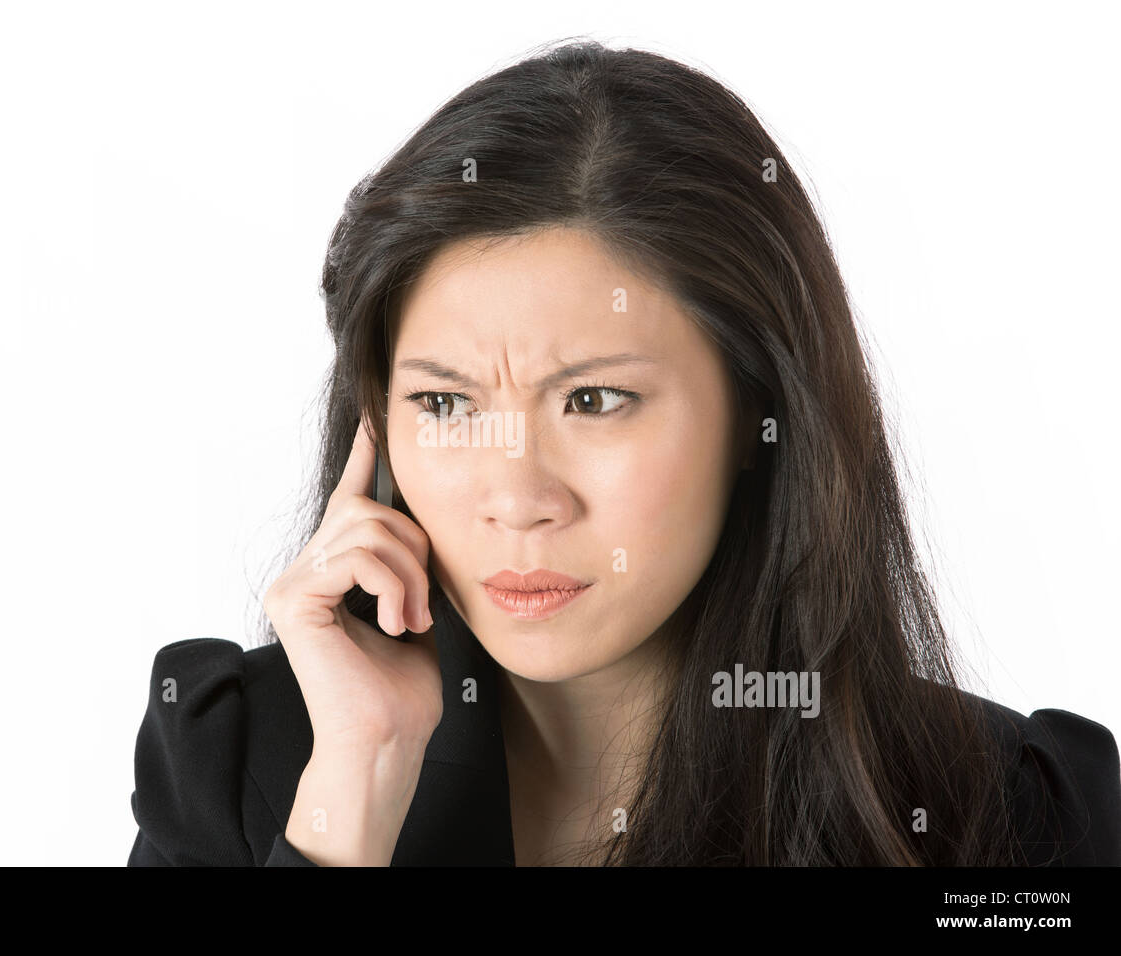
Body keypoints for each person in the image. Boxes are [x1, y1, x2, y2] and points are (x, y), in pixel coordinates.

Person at [127, 38, 1121, 866]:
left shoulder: (1016, 817)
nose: (516, 496)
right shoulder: (243, 761)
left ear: (760, 414)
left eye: (593, 399)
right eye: (443, 399)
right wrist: (357, 779)